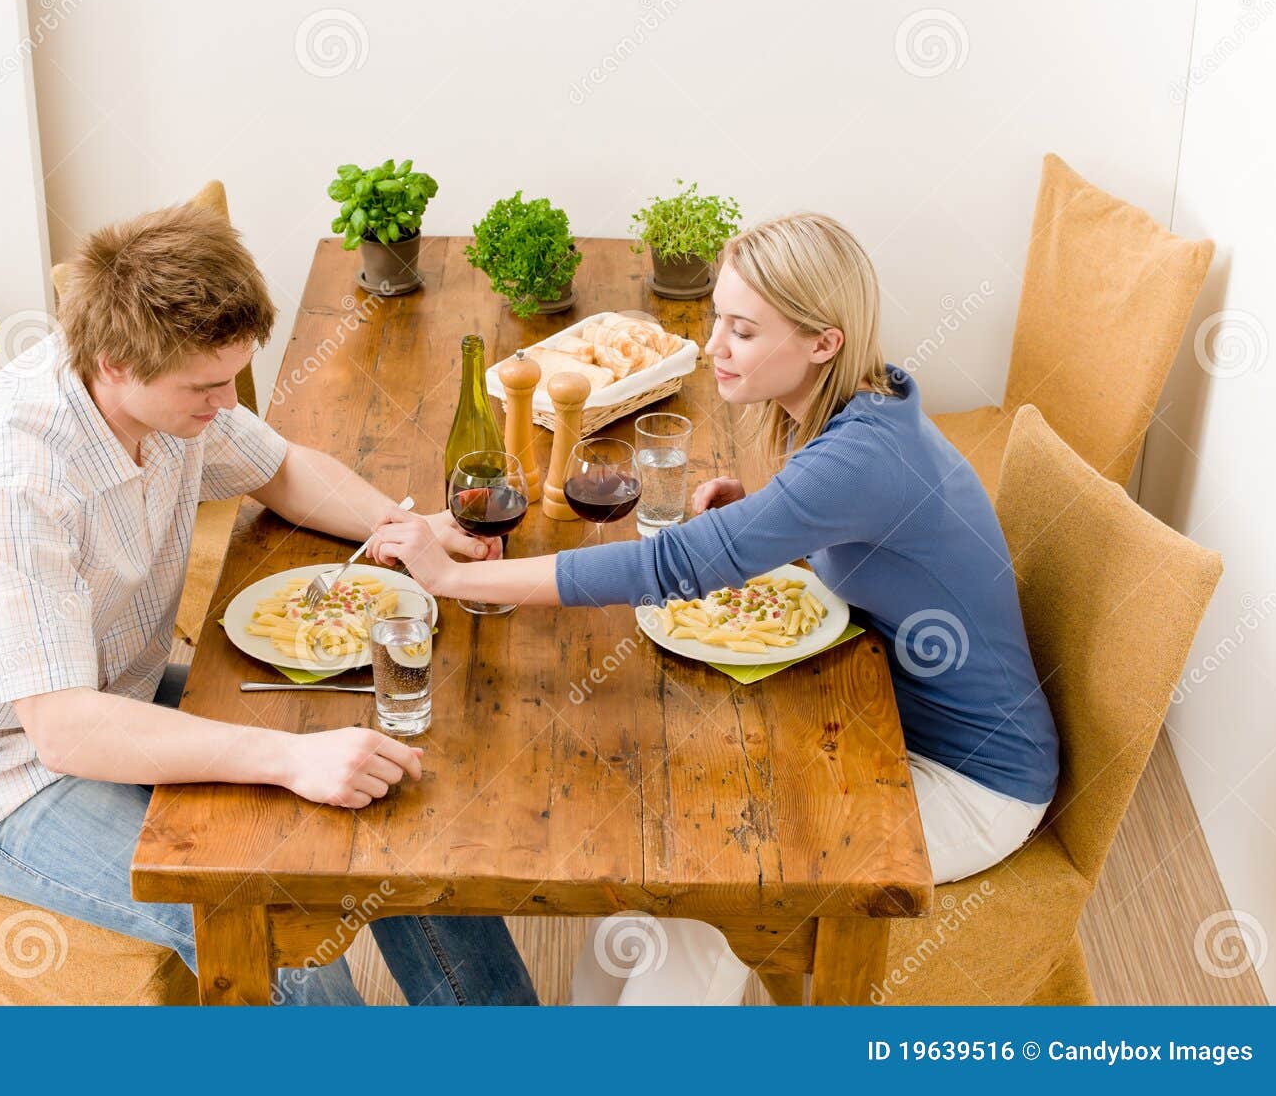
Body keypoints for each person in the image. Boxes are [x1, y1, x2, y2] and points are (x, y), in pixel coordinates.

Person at [370, 212, 1059, 1005]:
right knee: (656, 875)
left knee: (711, 894)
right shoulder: (873, 397)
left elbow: (670, 565)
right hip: (891, 725)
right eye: (717, 320)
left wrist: (452, 580)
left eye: (742, 330)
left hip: (970, 784)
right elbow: (871, 528)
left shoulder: (860, 458)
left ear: (824, 342)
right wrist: (775, 516)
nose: (713, 347)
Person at [0, 202, 535, 1005]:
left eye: (232, 377)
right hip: (2, 778)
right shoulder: (16, 485)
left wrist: (407, 530)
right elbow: (65, 729)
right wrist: (290, 760)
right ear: (114, 362)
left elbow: (282, 469)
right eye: (209, 386)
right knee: (275, 916)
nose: (228, 403)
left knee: (385, 773)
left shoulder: (167, 399)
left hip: (120, 691)